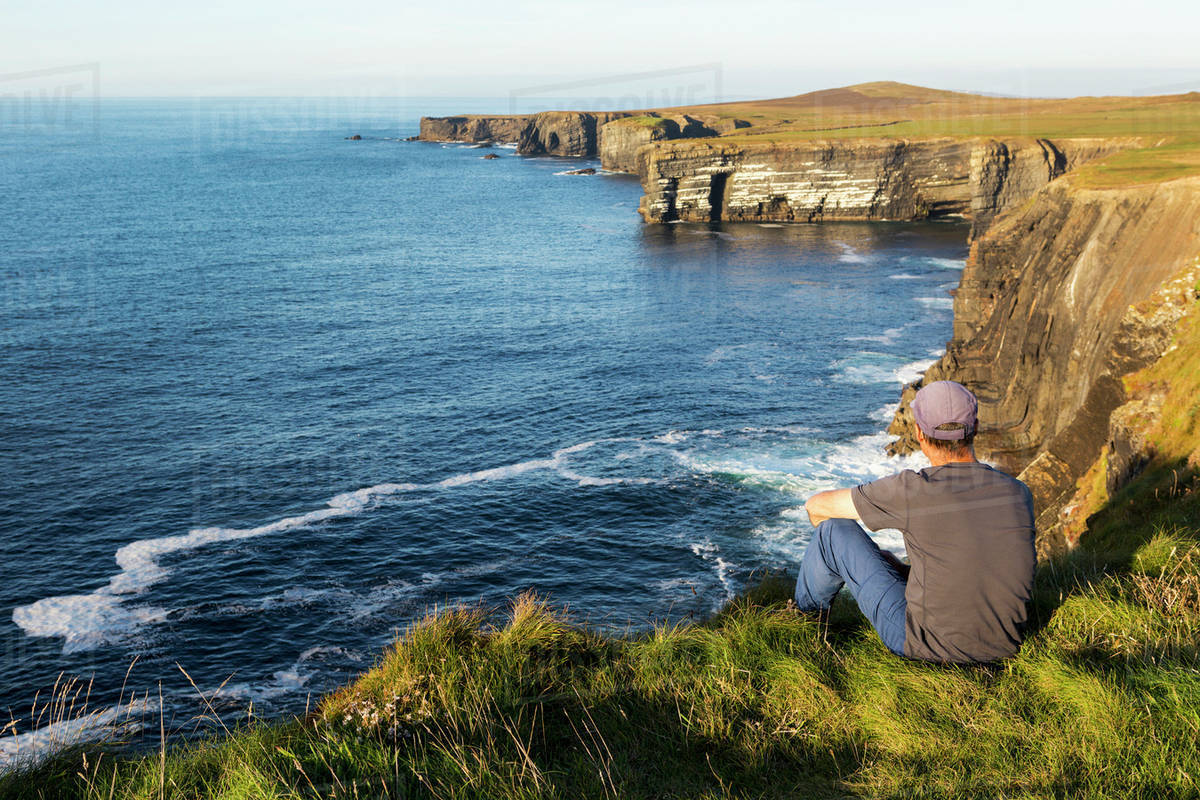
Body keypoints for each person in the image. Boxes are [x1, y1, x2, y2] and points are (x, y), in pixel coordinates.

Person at [794, 380, 1036, 663]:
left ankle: (800, 627)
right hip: (1004, 647)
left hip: (926, 646)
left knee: (832, 532)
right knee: (883, 558)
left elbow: (816, 506)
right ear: (976, 428)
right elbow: (977, 562)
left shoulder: (915, 490)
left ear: (919, 434)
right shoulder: (1018, 493)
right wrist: (906, 571)